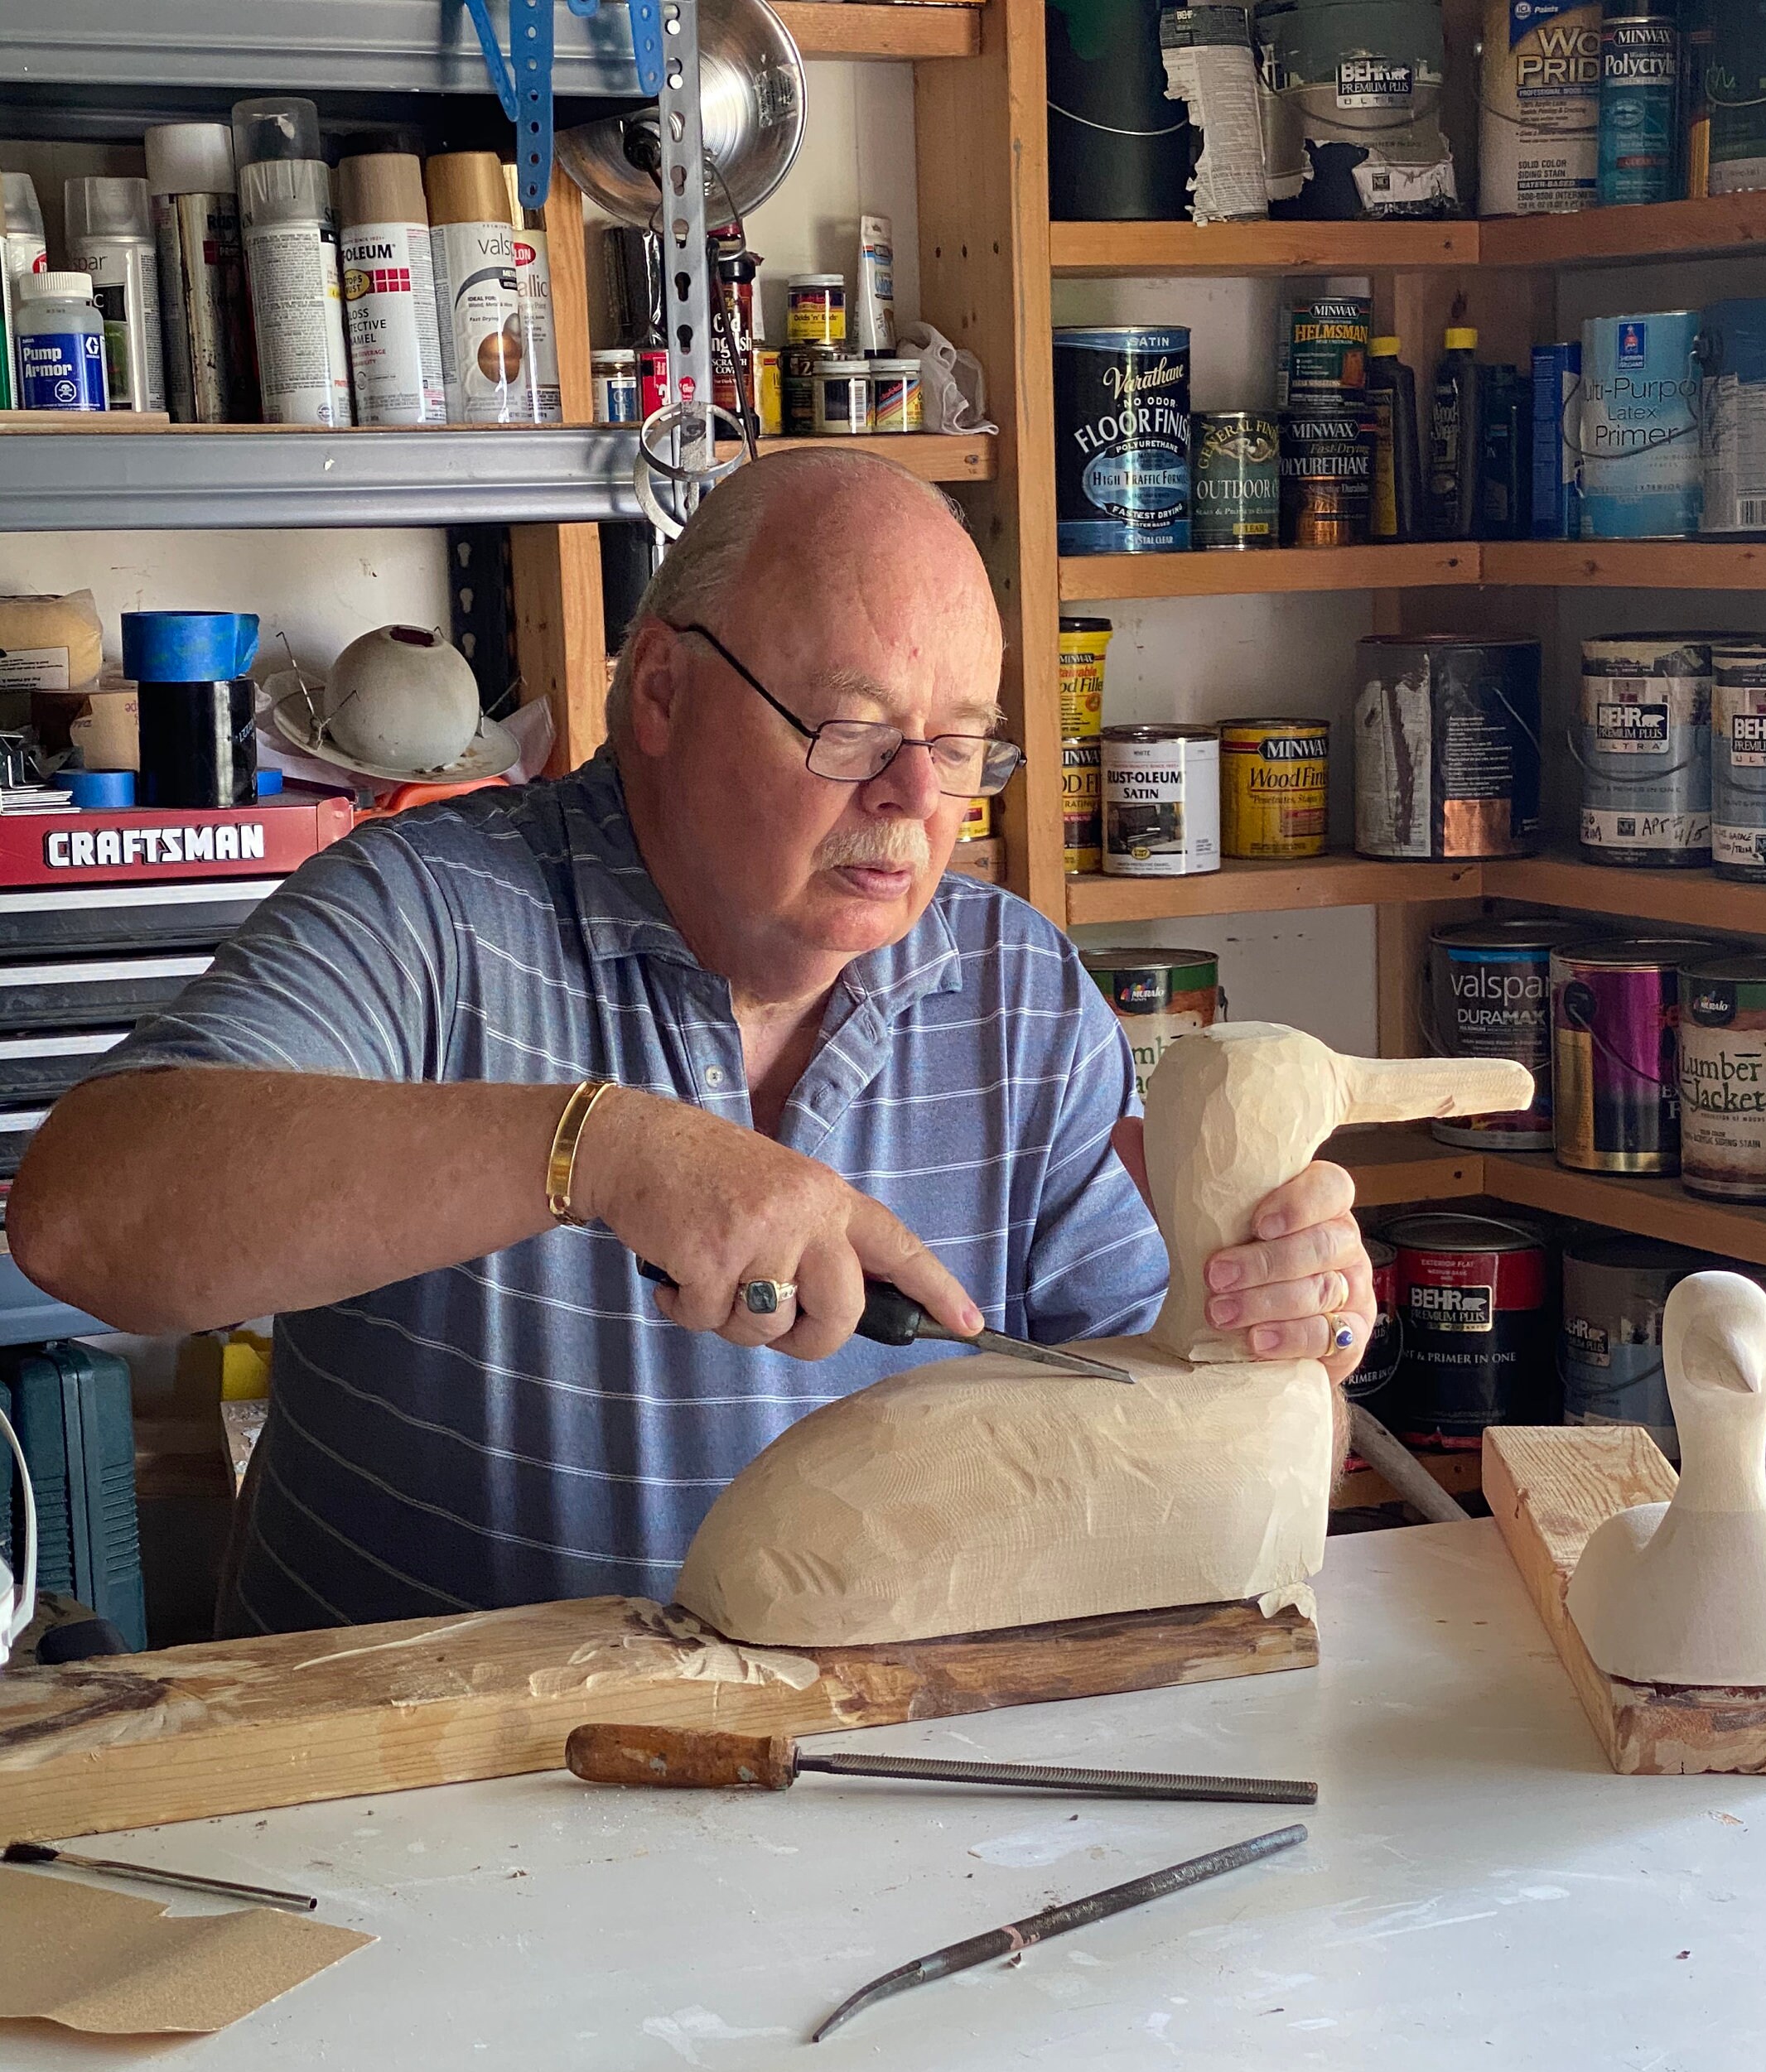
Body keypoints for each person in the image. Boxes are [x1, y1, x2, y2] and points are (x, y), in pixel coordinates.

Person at [9, 451, 1374, 1635]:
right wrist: (595, 1148)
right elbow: (84, 1218)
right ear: (658, 690)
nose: (914, 799)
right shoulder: (425, 910)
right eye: (849, 731)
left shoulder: (1014, 988)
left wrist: (1271, 1350)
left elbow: (1174, 1472)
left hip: (878, 1772)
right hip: (439, 1794)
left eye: (961, 747)